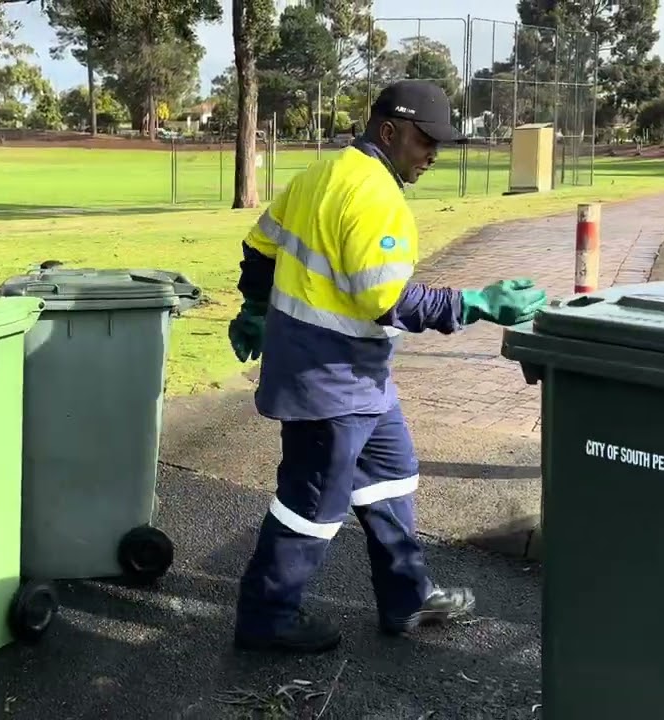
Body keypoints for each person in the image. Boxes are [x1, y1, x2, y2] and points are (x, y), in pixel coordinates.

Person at [226, 79, 549, 654]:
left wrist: (253, 307)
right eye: (426, 142)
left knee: (392, 474)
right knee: (312, 503)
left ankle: (406, 598)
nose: (432, 156)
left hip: (354, 376)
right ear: (390, 130)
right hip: (330, 382)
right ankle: (266, 616)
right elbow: (390, 300)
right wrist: (478, 303)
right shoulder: (376, 196)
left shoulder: (319, 175)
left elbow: (260, 247)